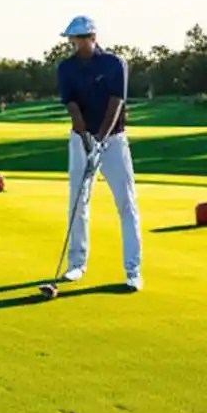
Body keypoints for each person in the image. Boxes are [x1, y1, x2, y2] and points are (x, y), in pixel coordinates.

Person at [56, 15, 143, 291]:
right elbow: (71, 105)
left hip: (113, 140)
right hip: (80, 139)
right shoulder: (66, 68)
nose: (76, 43)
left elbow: (116, 102)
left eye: (81, 38)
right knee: (78, 201)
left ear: (93, 37)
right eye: (73, 39)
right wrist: (85, 137)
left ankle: (133, 270)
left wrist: (101, 139)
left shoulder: (114, 63)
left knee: (126, 203)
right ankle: (76, 265)